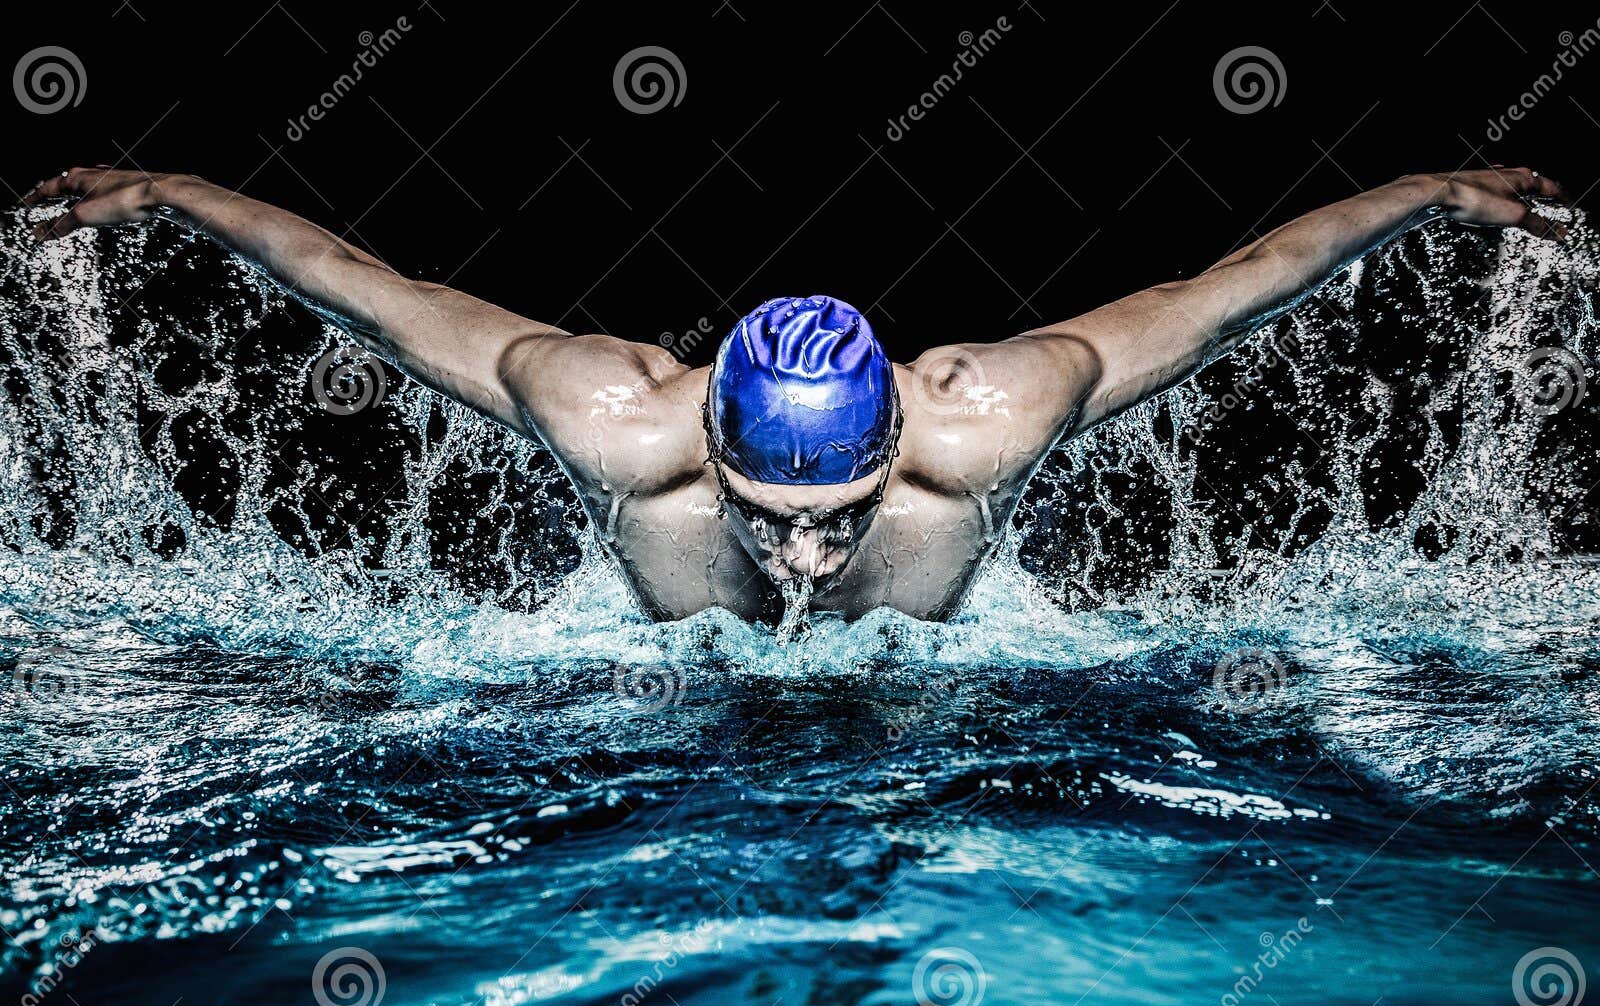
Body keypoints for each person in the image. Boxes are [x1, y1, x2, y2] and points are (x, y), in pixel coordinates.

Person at [22, 166, 1572, 622]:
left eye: (837, 520)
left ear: (901, 434)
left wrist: (1429, 191)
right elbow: (359, 279)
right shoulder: (610, 417)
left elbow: (1234, 287)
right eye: (772, 521)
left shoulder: (989, 419)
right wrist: (171, 194)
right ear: (707, 438)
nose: (806, 561)